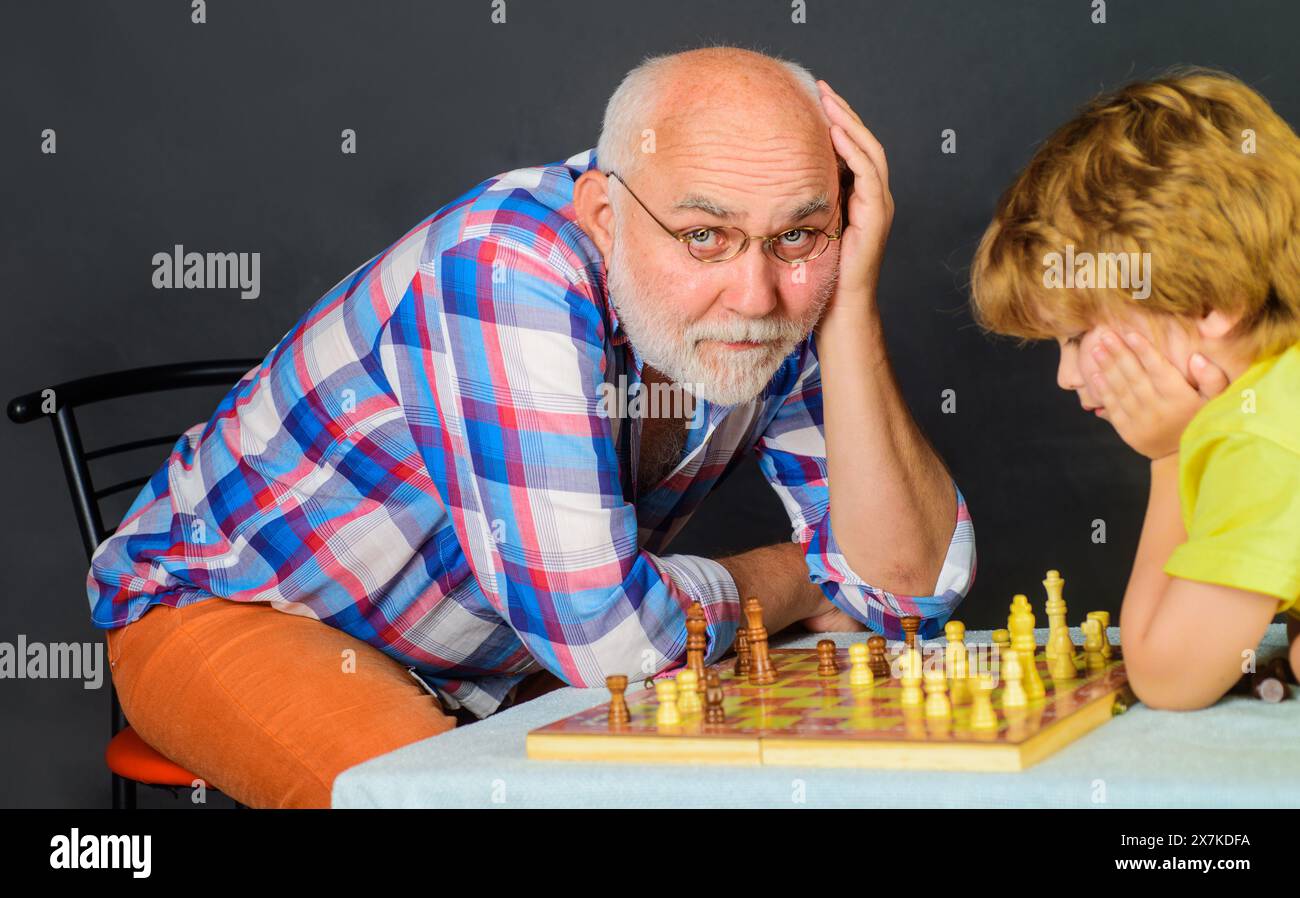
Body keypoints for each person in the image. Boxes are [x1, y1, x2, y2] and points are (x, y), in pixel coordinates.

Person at [88, 46, 974, 807]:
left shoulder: (792, 284)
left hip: (502, 659)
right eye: (705, 236)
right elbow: (608, 637)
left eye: (799, 235)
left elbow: (909, 589)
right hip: (238, 609)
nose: (756, 296)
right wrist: (799, 576)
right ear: (604, 217)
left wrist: (850, 308)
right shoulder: (506, 266)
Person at [970, 68, 1300, 710]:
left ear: (1209, 301)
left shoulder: (1260, 436)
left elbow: (1168, 677)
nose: (1067, 376)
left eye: (1077, 336)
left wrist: (1172, 455)